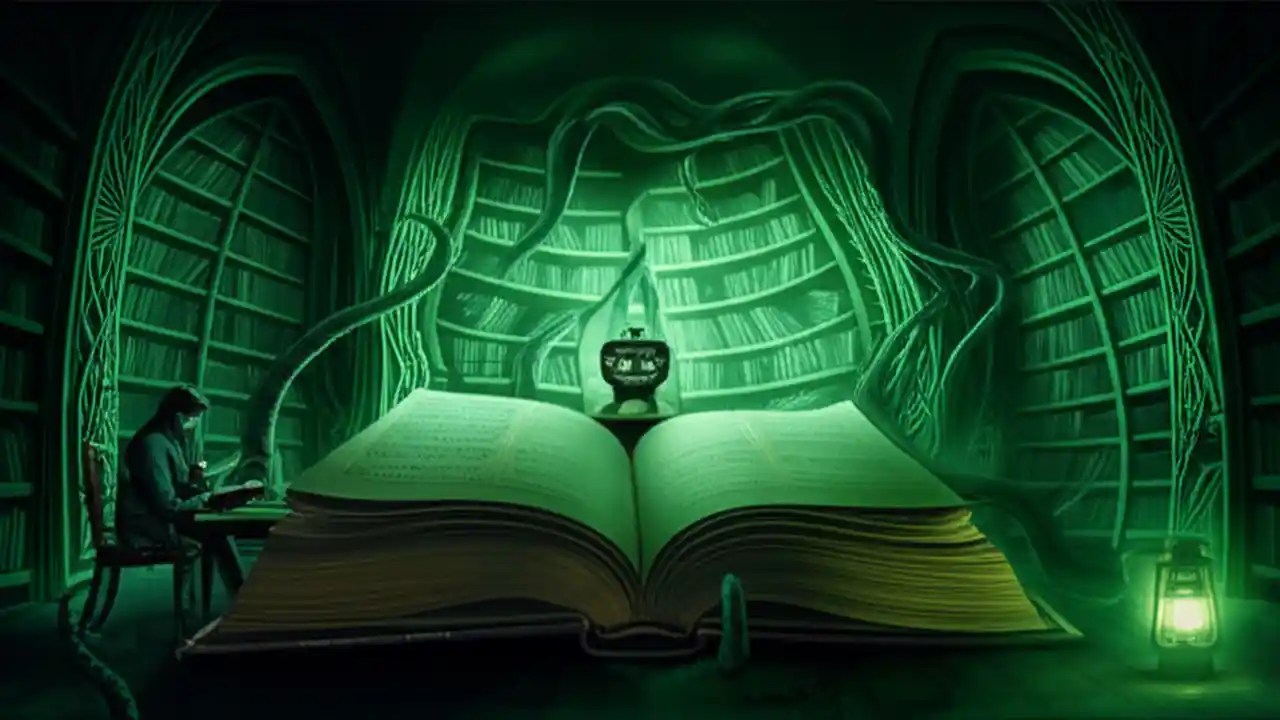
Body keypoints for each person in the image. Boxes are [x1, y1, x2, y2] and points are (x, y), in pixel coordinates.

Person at [115, 385, 252, 600]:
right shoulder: (152, 445)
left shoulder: (168, 441)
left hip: (158, 517)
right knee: (217, 532)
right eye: (193, 418)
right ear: (178, 417)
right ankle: (230, 600)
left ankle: (233, 598)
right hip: (147, 525)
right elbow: (167, 506)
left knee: (219, 530)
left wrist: (197, 479)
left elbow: (176, 482)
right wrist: (206, 498)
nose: (193, 425)